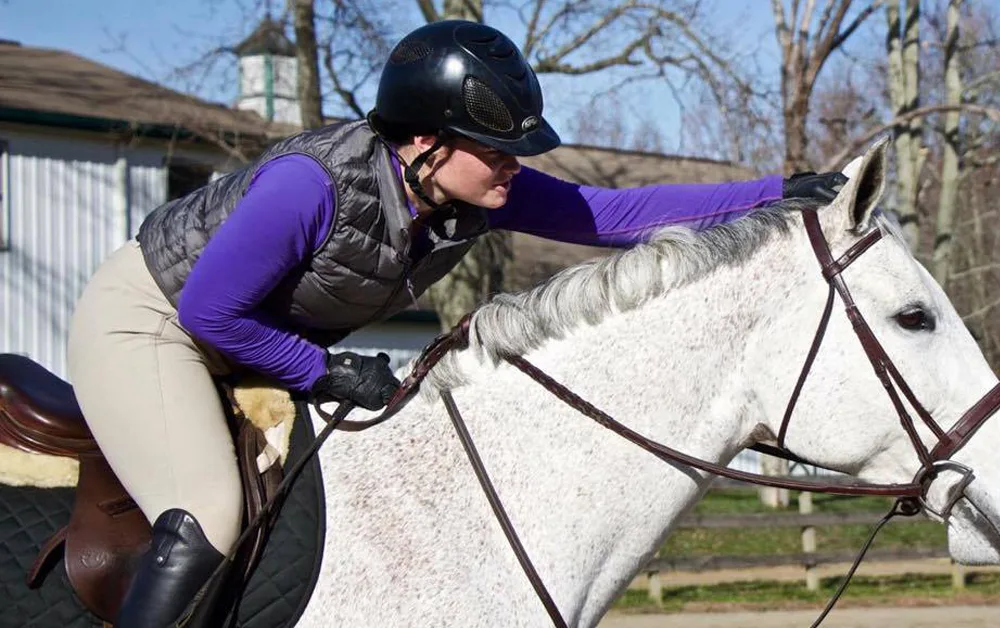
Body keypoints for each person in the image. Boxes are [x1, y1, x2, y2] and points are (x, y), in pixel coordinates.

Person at [66, 19, 847, 627]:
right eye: (497, 149)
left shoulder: (467, 192)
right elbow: (208, 310)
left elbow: (618, 213)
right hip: (155, 324)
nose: (514, 163)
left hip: (244, 343)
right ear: (424, 144)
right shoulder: (310, 187)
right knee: (210, 507)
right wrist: (322, 371)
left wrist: (778, 195)